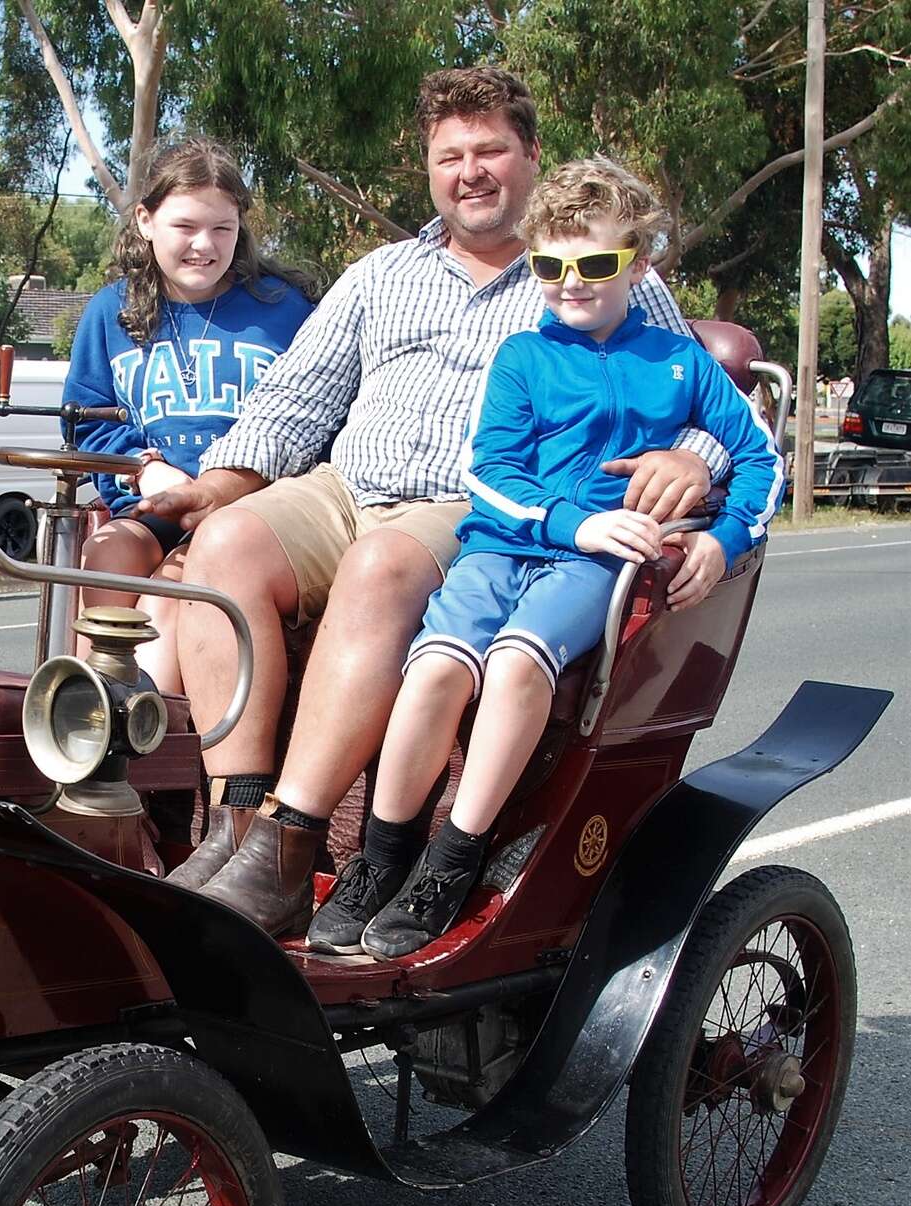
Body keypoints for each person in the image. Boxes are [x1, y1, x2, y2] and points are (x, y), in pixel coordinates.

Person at [139, 67, 731, 936]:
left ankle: (289, 839)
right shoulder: (382, 273)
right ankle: (231, 825)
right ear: (428, 167)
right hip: (348, 485)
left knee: (379, 565)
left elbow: (701, 399)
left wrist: (691, 456)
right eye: (449, 155)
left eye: (490, 149)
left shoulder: (588, 270)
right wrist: (217, 484)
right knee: (227, 543)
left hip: (476, 502)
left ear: (528, 155)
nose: (471, 171)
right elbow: (292, 400)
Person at [309, 158, 783, 958]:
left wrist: (721, 537)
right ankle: (380, 860)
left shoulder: (678, 362)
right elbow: (487, 473)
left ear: (634, 263)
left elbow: (760, 457)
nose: (570, 283)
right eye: (550, 266)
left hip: (591, 571)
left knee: (519, 663)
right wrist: (575, 523)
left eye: (593, 265)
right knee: (433, 668)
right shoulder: (522, 358)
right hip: (505, 548)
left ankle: (450, 862)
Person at [63, 137, 316, 693]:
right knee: (104, 554)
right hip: (150, 502)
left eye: (222, 228)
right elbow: (87, 419)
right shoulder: (112, 311)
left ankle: (151, 752)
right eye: (185, 226)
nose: (204, 245)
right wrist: (142, 466)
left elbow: (318, 412)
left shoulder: (285, 310)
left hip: (245, 511)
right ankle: (82, 716)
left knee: (171, 600)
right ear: (146, 220)